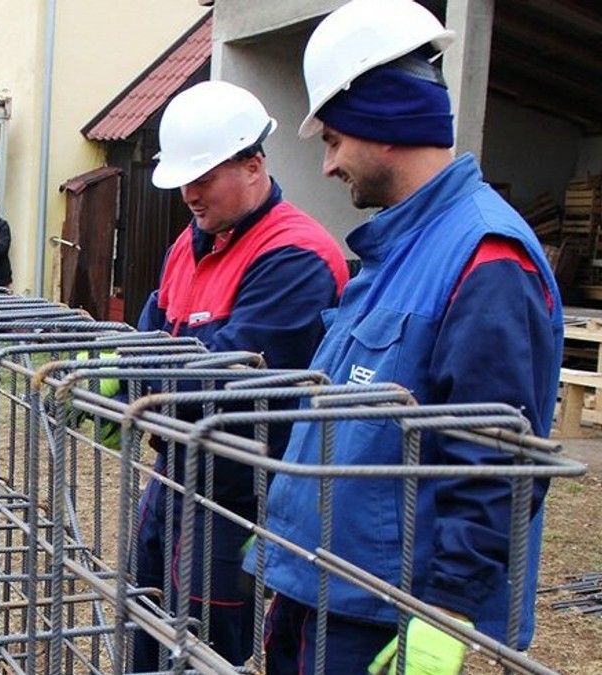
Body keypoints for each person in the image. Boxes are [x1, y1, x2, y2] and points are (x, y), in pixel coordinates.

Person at [256, 1, 563, 674]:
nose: (328, 165)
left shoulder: (485, 257)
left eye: (333, 139)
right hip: (321, 583)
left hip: (383, 611)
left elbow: (494, 456)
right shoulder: (394, 252)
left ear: (384, 122)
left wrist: (447, 613)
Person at [130, 80, 349, 671]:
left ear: (253, 166)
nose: (189, 195)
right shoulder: (188, 244)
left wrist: (146, 378)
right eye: (184, 180)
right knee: (142, 615)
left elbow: (223, 385)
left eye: (202, 178)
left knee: (204, 644)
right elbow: (146, 341)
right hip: (173, 470)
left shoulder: (295, 257)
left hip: (238, 495)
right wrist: (144, 374)